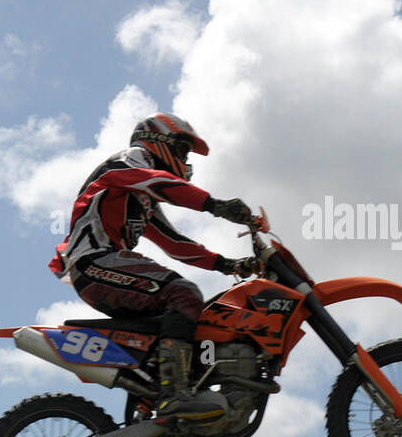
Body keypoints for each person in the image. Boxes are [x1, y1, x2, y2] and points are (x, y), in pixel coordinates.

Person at [49, 112, 258, 420]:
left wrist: (227, 264)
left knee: (177, 318)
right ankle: (174, 396)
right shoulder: (132, 160)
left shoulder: (142, 198)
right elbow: (159, 182)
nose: (185, 160)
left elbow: (175, 243)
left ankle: (147, 403)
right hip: (93, 260)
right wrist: (215, 205)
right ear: (159, 141)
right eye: (182, 150)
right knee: (183, 294)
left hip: (103, 267)